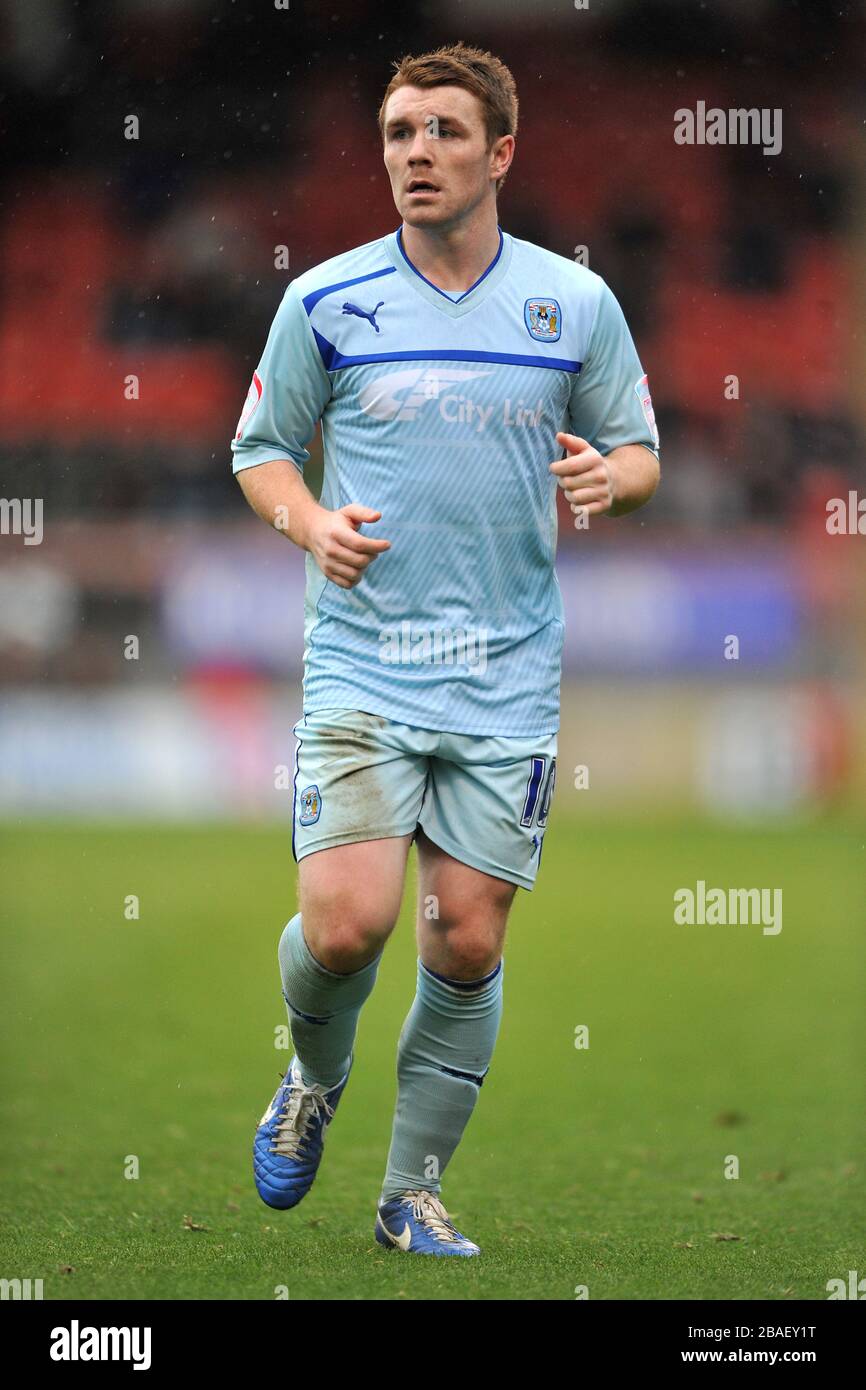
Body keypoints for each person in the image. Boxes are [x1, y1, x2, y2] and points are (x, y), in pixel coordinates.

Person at [232, 42, 660, 1257]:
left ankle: (408, 1193)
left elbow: (637, 453)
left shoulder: (571, 304)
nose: (415, 154)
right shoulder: (323, 299)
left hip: (506, 671)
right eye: (397, 133)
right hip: (365, 660)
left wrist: (606, 480)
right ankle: (311, 1081)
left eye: (442, 133)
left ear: (499, 152)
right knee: (343, 929)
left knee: (464, 934)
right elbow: (259, 448)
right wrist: (310, 521)